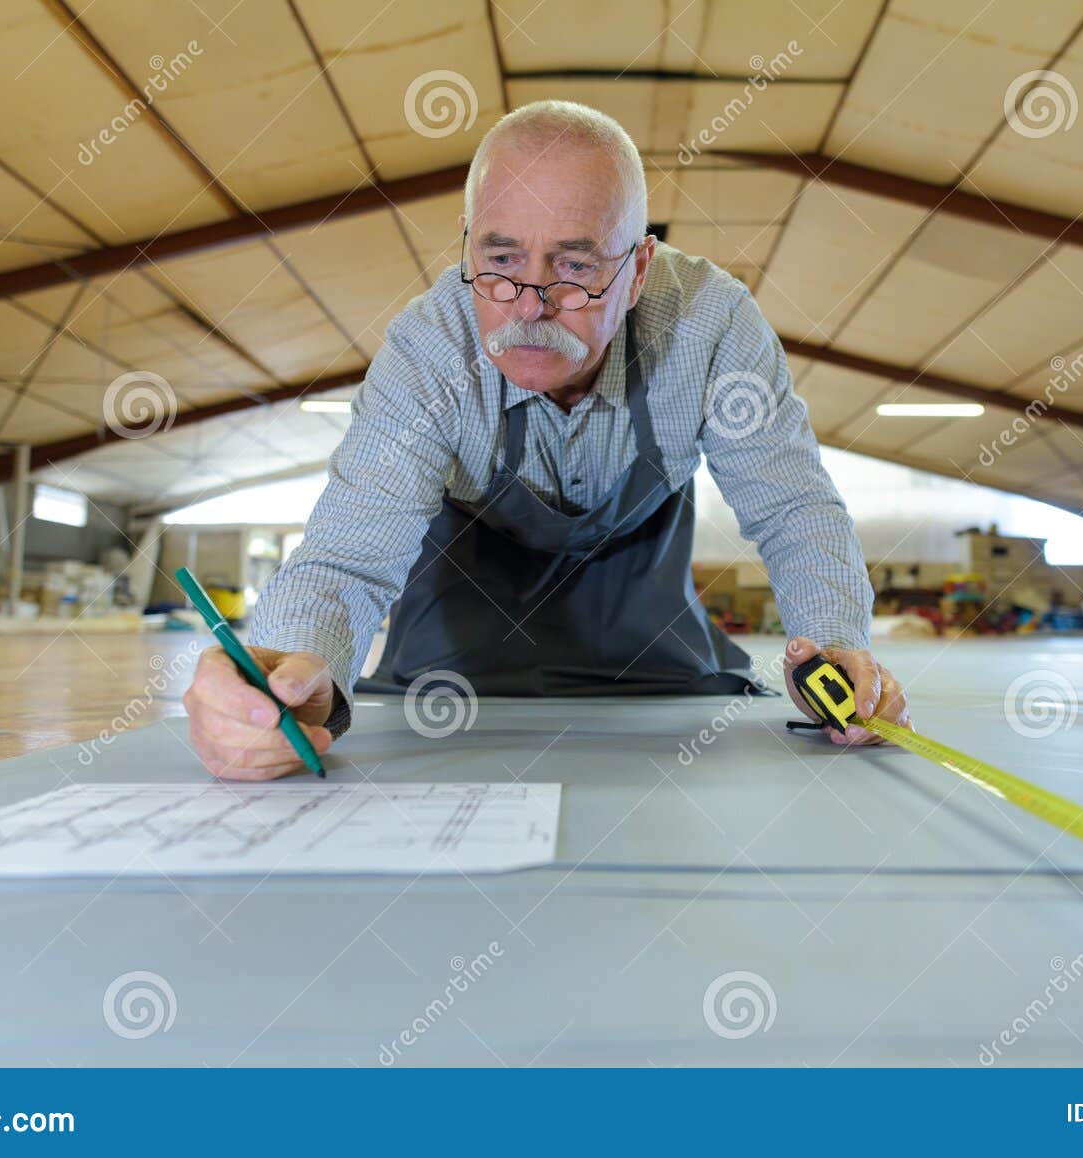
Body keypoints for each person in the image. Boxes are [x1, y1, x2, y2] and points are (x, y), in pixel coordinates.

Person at [183, 100, 912, 779]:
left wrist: (834, 641)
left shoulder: (709, 326)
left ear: (638, 271)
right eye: (501, 262)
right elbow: (347, 553)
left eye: (574, 267)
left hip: (648, 647)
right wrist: (284, 672)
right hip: (452, 653)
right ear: (469, 246)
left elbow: (792, 509)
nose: (530, 307)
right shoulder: (428, 349)